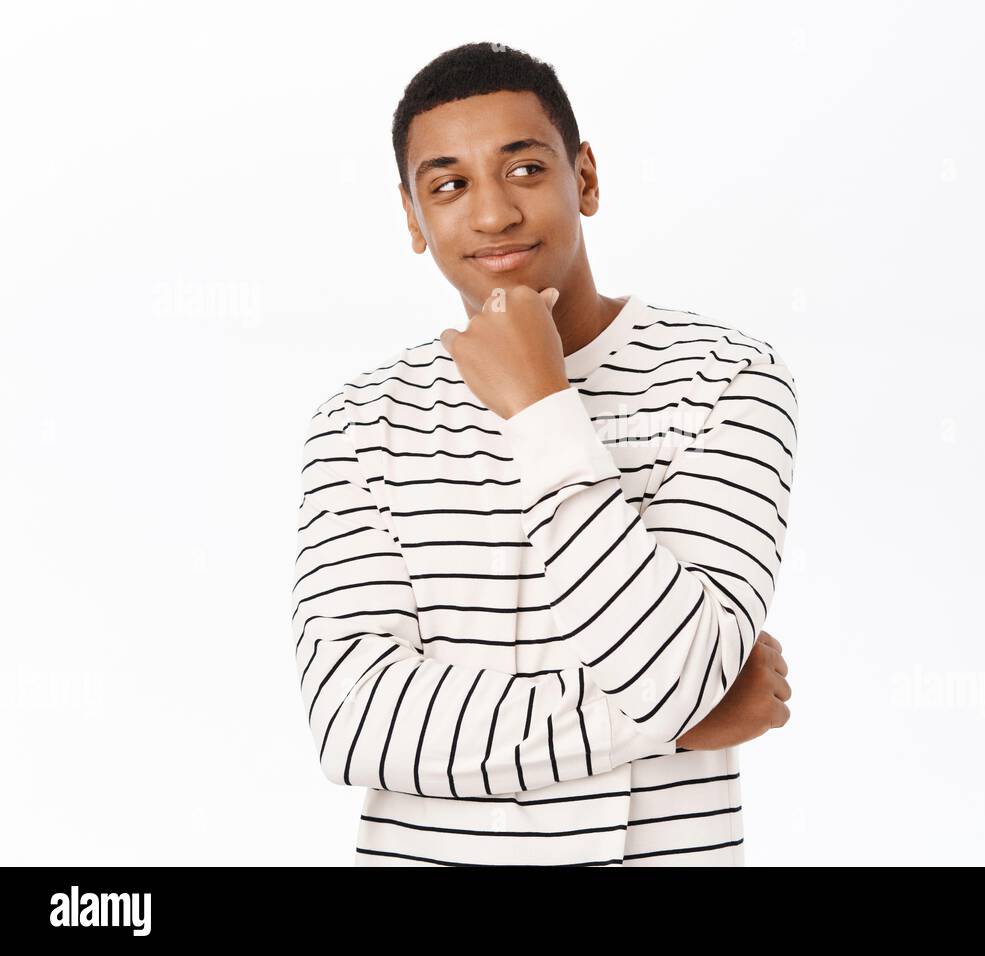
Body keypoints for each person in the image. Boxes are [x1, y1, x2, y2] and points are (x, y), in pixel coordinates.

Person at [292, 41, 799, 866]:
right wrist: (676, 719)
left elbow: (670, 667)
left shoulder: (727, 379)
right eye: (449, 185)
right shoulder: (359, 422)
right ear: (413, 218)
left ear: (585, 178)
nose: (492, 214)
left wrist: (540, 405)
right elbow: (355, 727)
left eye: (524, 169)